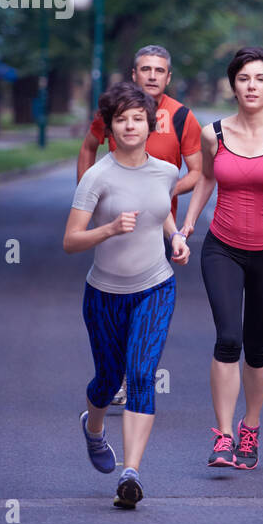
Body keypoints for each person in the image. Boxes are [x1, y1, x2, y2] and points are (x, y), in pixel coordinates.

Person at [63, 81, 190, 508]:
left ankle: (130, 473)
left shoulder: (167, 172)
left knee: (140, 374)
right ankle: (94, 428)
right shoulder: (97, 177)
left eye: (139, 118)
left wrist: (177, 239)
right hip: (104, 294)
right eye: (122, 119)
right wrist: (110, 228)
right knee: (107, 380)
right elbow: (71, 241)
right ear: (109, 127)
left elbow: (160, 216)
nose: (131, 125)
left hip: (155, 286)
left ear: (151, 123)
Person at [181, 47, 263, 470]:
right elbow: (206, 182)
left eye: (259, 79)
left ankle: (250, 427)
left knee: (257, 346)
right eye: (243, 79)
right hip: (223, 247)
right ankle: (224, 435)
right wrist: (187, 225)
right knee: (228, 338)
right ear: (233, 85)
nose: (251, 86)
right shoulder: (213, 132)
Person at [77, 44, 202, 407]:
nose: (151, 75)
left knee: (147, 303)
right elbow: (88, 147)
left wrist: (159, 191)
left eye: (159, 70)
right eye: (144, 69)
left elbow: (197, 173)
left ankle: (136, 378)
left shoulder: (182, 117)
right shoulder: (116, 109)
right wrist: (86, 195)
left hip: (161, 222)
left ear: (168, 76)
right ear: (134, 74)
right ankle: (115, 375)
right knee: (115, 296)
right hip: (116, 222)